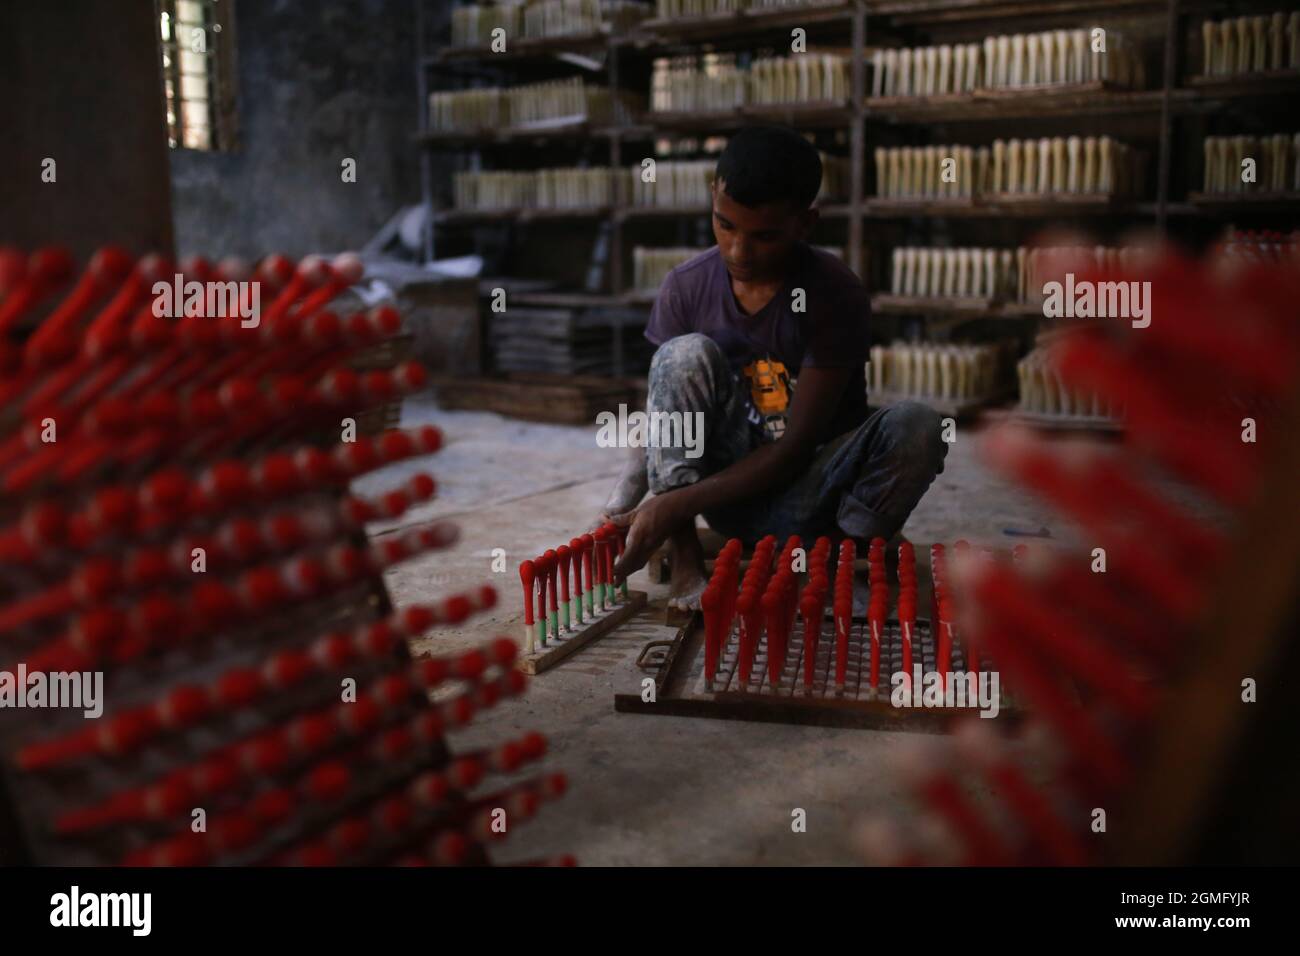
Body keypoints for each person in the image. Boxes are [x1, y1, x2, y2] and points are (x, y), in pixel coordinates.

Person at [603, 126, 948, 609]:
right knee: (681, 355)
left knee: (919, 425)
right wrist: (641, 475)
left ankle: (848, 555)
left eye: (765, 236)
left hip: (815, 496)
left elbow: (795, 448)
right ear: (712, 201)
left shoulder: (834, 293)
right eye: (725, 226)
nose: (739, 252)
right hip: (722, 498)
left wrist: (671, 503)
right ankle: (684, 562)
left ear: (805, 223)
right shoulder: (685, 287)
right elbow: (666, 413)